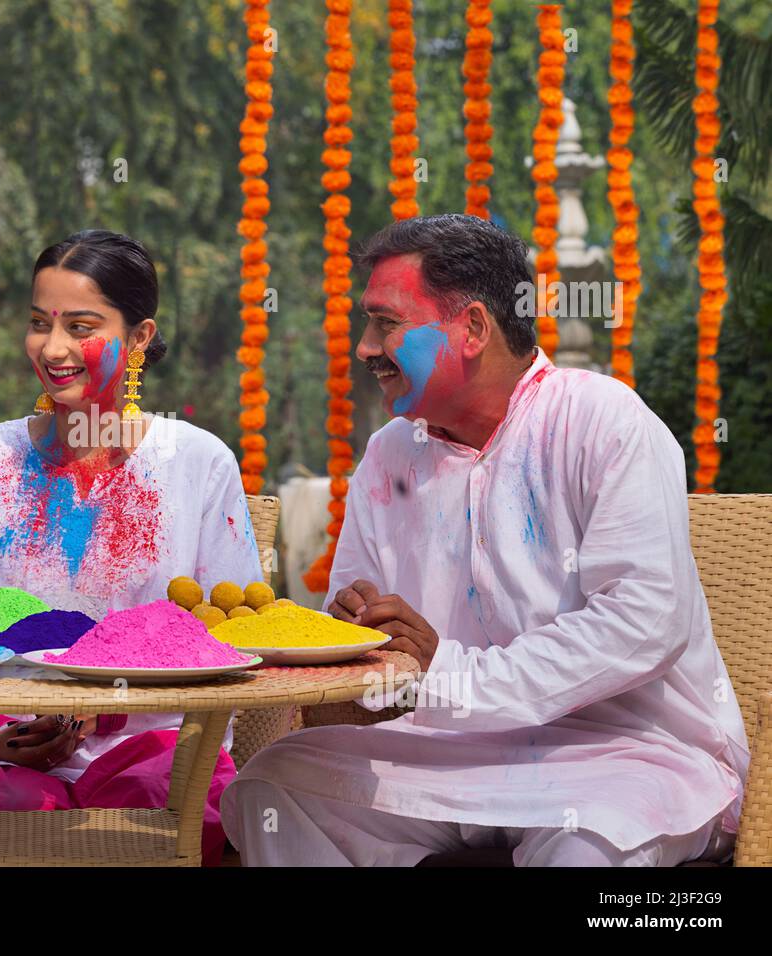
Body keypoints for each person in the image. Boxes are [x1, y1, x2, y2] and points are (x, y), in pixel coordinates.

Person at [222, 213, 747, 867]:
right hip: (443, 749)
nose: (364, 347)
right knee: (275, 786)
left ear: (470, 328)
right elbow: (379, 664)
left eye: (386, 323)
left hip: (621, 752)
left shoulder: (601, 421)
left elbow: (644, 621)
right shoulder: (388, 456)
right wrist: (356, 653)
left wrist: (443, 676)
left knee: (584, 847)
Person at [0, 230, 262, 864]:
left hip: (154, 749)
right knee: (15, 806)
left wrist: (111, 713)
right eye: (40, 324)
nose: (54, 347)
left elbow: (230, 639)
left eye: (81, 325)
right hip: (2, 754)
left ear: (141, 338)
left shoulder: (197, 462)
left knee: (168, 797)